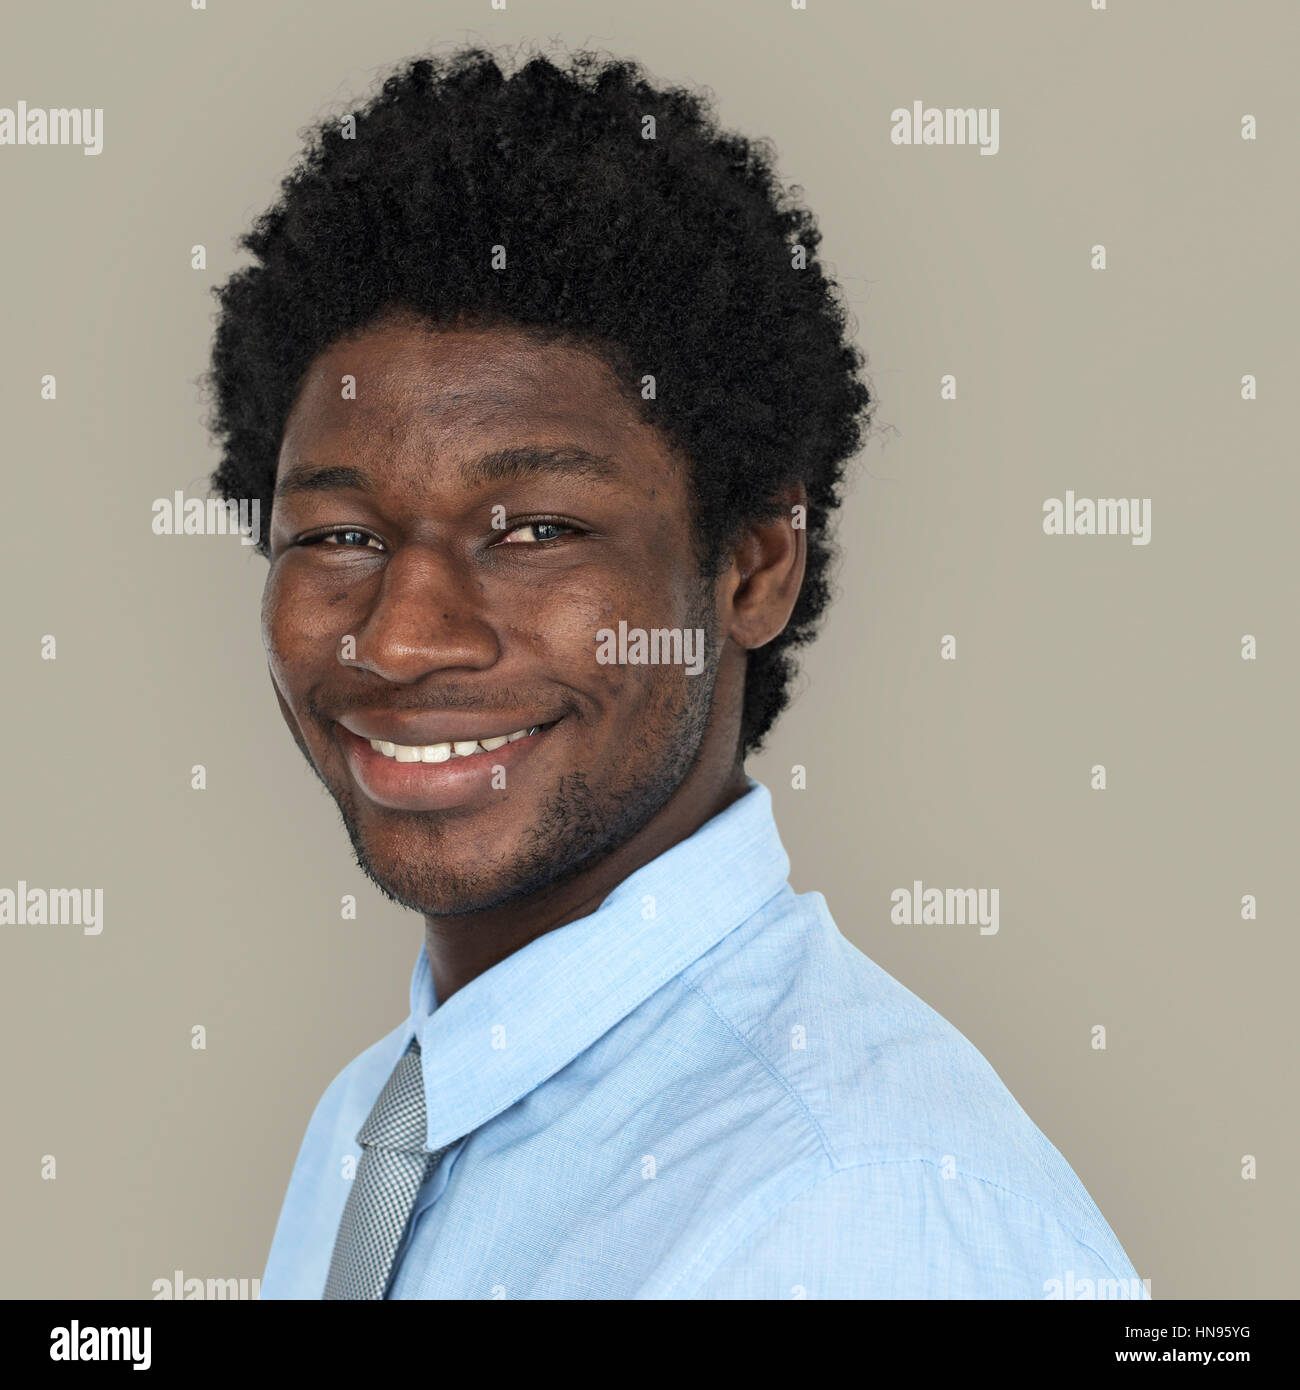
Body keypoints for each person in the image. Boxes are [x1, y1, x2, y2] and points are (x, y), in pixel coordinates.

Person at [206, 45, 1145, 1299]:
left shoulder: (853, 1208)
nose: (405, 634)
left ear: (753, 569)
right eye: (339, 537)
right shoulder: (378, 1125)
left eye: (535, 529)